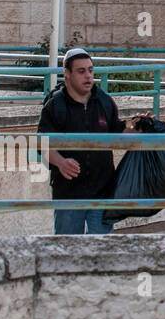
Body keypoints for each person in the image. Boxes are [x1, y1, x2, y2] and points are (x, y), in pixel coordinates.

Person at [37, 48, 149, 234]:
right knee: (68, 251)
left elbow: (118, 133)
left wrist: (140, 128)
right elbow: (42, 142)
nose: (88, 76)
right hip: (69, 194)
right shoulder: (55, 106)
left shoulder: (104, 102)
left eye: (90, 70)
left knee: (102, 252)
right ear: (67, 74)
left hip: (102, 190)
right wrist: (61, 162)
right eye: (81, 71)